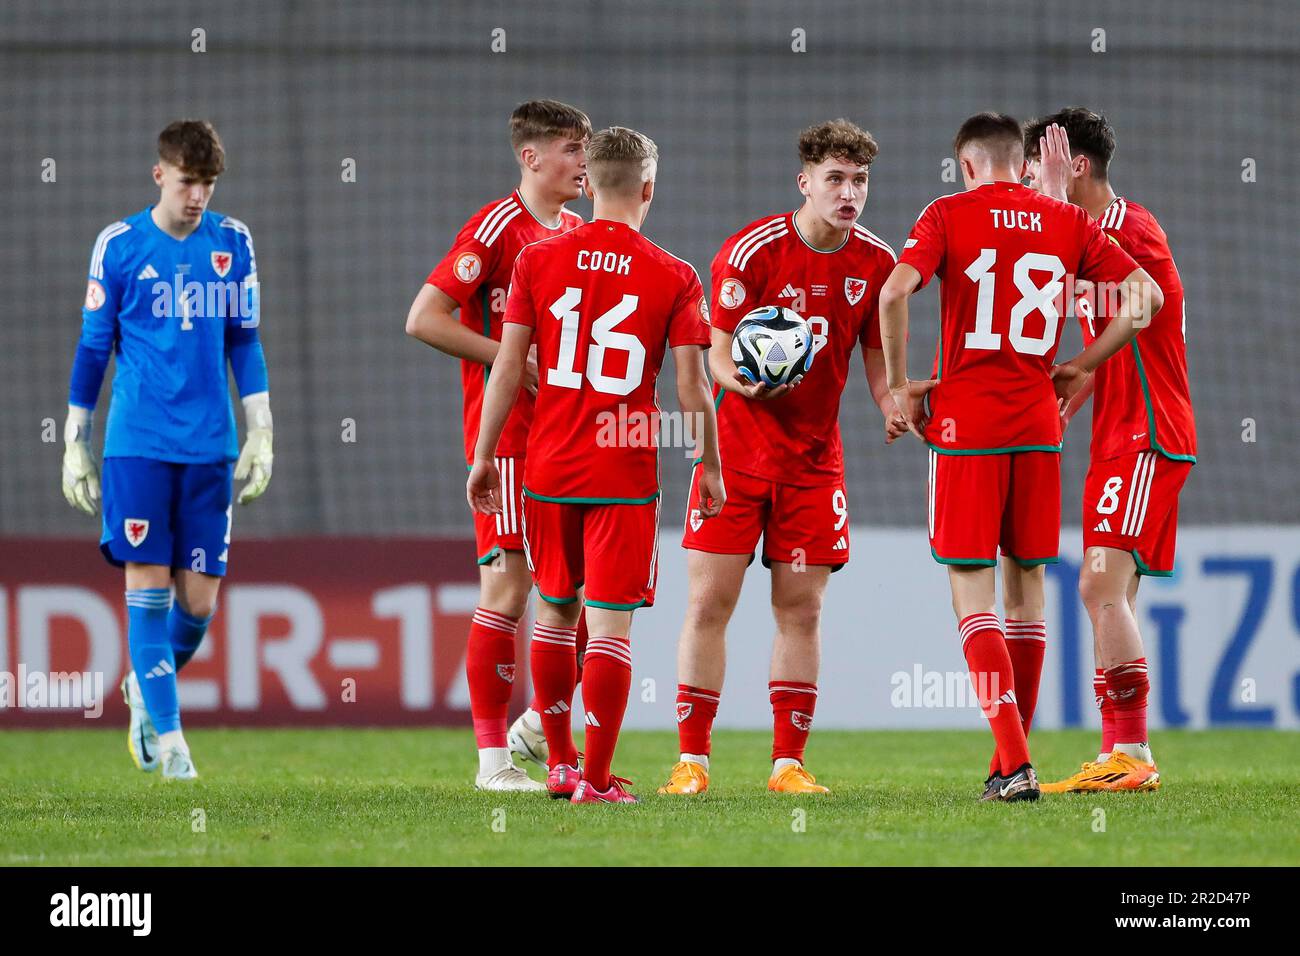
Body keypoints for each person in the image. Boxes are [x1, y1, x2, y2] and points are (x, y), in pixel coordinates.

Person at [878, 112, 1163, 802]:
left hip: (969, 427)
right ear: (1019, 159)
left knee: (970, 589)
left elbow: (892, 290)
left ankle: (1013, 761)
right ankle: (1016, 759)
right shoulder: (1064, 220)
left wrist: (894, 388)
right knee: (1025, 591)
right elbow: (1145, 296)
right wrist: (1081, 363)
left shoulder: (948, 212)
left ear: (967, 164)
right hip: (1039, 425)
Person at [468, 125, 722, 804]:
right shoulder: (673, 274)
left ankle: (557, 764)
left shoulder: (538, 260)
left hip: (548, 463)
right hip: (624, 468)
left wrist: (486, 455)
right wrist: (712, 463)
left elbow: (504, 368)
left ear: (591, 183)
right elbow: (692, 388)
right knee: (608, 624)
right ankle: (598, 780)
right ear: (648, 187)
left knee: (552, 614)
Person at [661, 119, 906, 797]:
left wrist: (892, 406)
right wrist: (748, 381)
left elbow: (879, 365)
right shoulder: (752, 251)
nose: (849, 192)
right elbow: (716, 351)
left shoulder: (878, 264)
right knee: (710, 603)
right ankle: (692, 764)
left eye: (859, 180)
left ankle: (787, 765)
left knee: (801, 611)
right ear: (805, 183)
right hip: (734, 455)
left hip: (813, 464)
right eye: (835, 179)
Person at [62, 119, 273, 780]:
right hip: (139, 444)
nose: (198, 197)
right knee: (147, 587)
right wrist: (75, 440)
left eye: (208, 184)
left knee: (200, 603)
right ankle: (173, 739)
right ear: (160, 174)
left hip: (211, 443)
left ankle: (142, 688)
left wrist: (261, 426)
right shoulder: (118, 246)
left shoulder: (233, 243)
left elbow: (244, 338)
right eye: (188, 182)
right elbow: (95, 349)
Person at [406, 100, 590, 790]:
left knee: (570, 594)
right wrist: (512, 359)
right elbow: (423, 318)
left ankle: (540, 727)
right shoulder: (496, 228)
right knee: (508, 587)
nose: (582, 163)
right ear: (530, 156)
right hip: (508, 440)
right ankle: (492, 761)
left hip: (570, 443)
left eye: (586, 150)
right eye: (571, 149)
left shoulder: (577, 232)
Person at [1024, 108, 1196, 793]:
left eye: (1040, 169)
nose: (1034, 183)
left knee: (1098, 582)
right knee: (1110, 587)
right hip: (1120, 431)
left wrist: (1083, 361)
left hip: (1148, 432)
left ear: (1078, 167)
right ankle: (1120, 752)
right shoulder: (1094, 237)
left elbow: (1144, 307)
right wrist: (1079, 383)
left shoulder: (1124, 228)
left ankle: (1132, 754)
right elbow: (1123, 334)